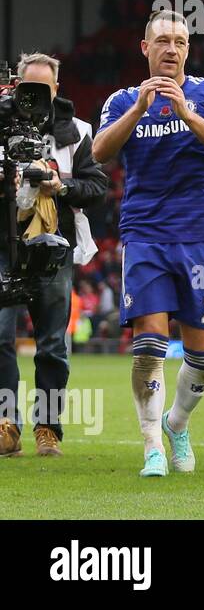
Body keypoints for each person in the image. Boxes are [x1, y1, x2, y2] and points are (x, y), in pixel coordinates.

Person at [92, 11, 204, 476]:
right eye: (162, 41)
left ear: (188, 49)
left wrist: (185, 113)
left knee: (203, 356)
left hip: (197, 235)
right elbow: (98, 152)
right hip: (144, 235)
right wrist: (140, 109)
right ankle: (153, 445)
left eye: (179, 41)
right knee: (150, 346)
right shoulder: (121, 100)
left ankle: (177, 423)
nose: (171, 49)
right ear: (145, 48)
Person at [0, 53, 109, 458]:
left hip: (52, 249)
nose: (34, 97)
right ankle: (6, 426)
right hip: (2, 245)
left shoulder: (78, 131)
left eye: (43, 90)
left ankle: (48, 427)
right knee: (0, 339)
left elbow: (98, 189)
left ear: (56, 90)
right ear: (15, 86)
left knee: (51, 345)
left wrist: (58, 184)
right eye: (27, 88)